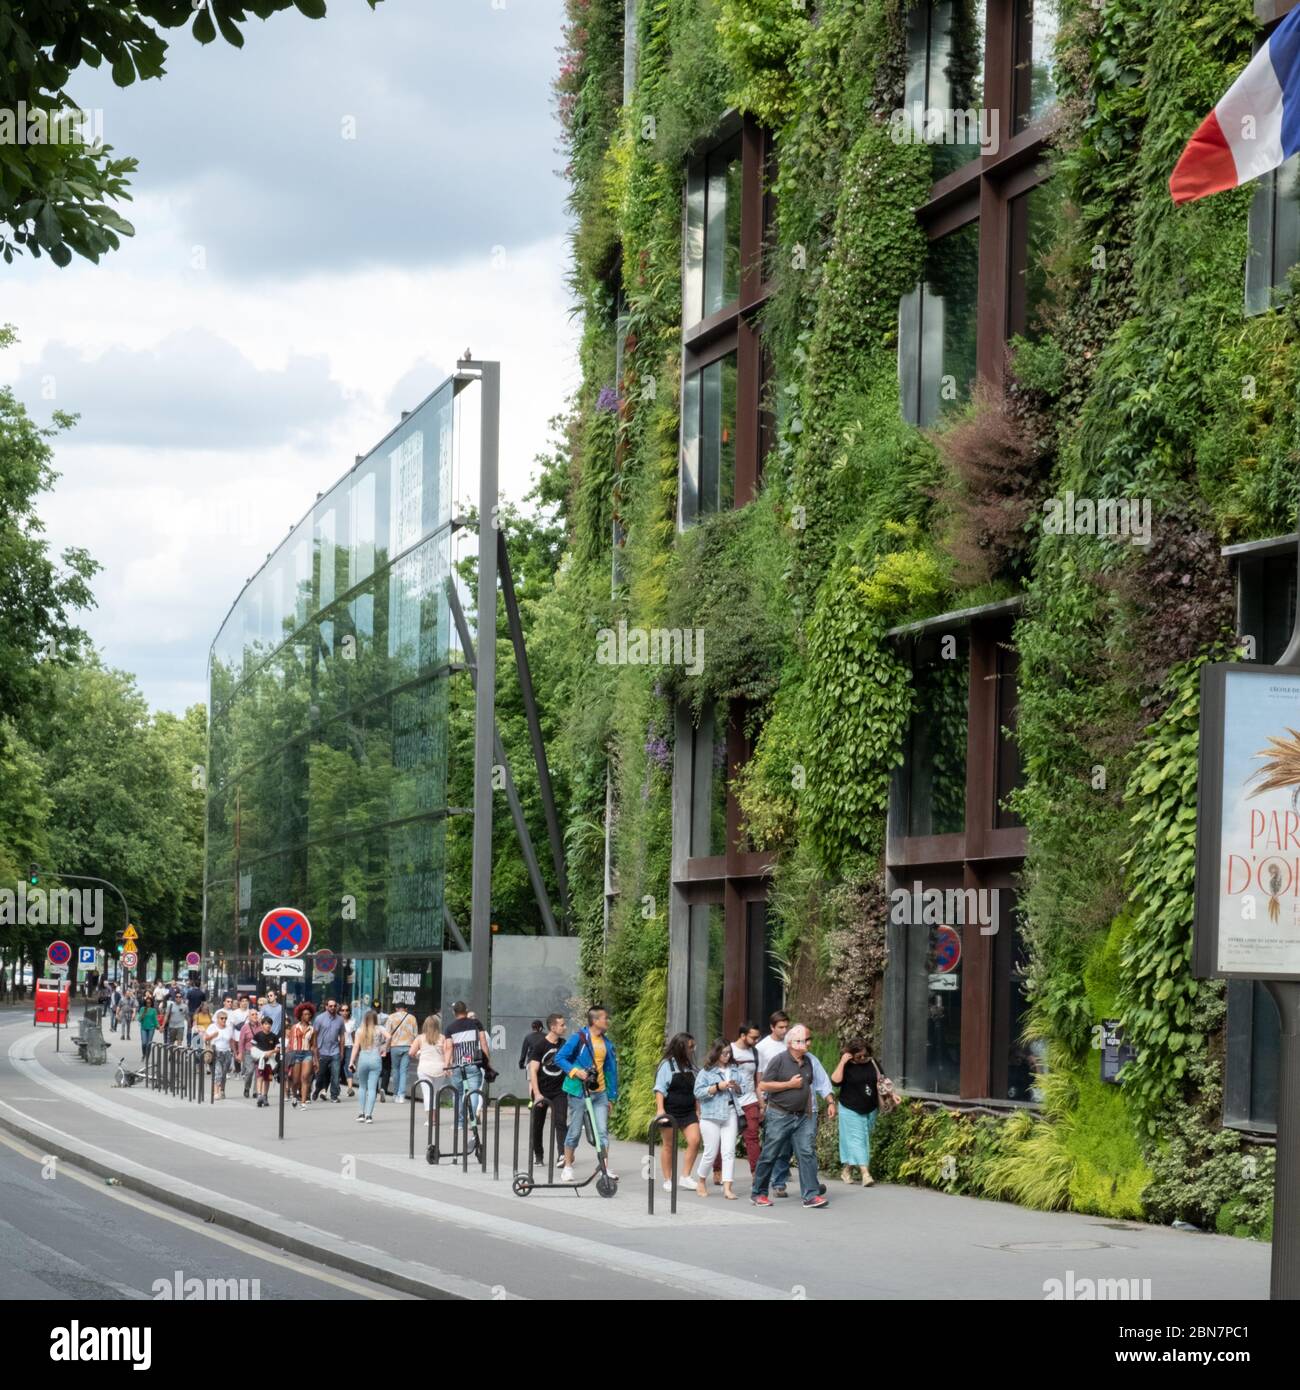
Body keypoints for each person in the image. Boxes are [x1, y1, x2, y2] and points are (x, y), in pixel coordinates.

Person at [751, 1023, 830, 1209]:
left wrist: (830, 1101)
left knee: (807, 1152)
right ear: (793, 1043)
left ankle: (811, 1195)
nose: (809, 1043)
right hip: (780, 1114)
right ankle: (759, 1193)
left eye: (808, 1040)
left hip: (803, 1116)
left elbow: (817, 1084)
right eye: (805, 1040)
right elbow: (763, 1086)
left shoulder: (809, 1061)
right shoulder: (779, 1060)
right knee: (770, 1153)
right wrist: (788, 1085)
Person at [556, 1006, 619, 1183]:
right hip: (579, 1092)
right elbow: (560, 1058)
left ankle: (604, 1168)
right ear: (595, 1021)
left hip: (600, 1093)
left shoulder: (607, 1043)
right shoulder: (579, 1038)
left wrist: (611, 1097)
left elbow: (611, 1071)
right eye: (605, 1018)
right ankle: (567, 1167)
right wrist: (576, 1071)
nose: (607, 1021)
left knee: (602, 1132)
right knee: (574, 1131)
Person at [694, 1039, 743, 1200]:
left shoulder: (734, 1070)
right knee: (711, 1152)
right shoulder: (706, 1072)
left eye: (729, 1052)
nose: (727, 1056)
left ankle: (727, 1187)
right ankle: (701, 1180)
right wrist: (717, 1087)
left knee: (729, 1151)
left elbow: (742, 1090)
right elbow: (698, 1092)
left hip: (730, 1111)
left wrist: (736, 1087)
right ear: (716, 1053)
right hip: (710, 1114)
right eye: (723, 1053)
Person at [713, 1021, 762, 1183]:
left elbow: (757, 1080)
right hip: (728, 1100)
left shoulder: (755, 1053)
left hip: (749, 1099)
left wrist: (761, 1102)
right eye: (753, 1037)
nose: (756, 1040)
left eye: (758, 1037)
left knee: (752, 1136)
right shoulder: (729, 1050)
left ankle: (757, 1173)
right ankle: (718, 1169)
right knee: (724, 1137)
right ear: (742, 1035)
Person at [653, 1032, 701, 1192]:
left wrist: (698, 1109)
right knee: (669, 1145)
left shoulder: (691, 1066)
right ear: (682, 1048)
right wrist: (660, 1110)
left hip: (688, 1111)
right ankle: (668, 1179)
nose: (693, 1049)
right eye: (690, 1047)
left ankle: (685, 1177)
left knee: (694, 1140)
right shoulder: (667, 1065)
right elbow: (660, 1089)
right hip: (670, 1111)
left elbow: (696, 1091)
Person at [832, 1037, 881, 1187]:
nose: (862, 1058)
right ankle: (865, 1174)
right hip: (850, 1108)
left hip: (870, 1108)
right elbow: (835, 1081)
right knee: (858, 1139)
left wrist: (892, 1095)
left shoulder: (872, 1062)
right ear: (851, 1054)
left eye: (864, 1054)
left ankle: (846, 1170)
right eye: (858, 1056)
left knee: (861, 1139)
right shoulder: (846, 1065)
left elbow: (882, 1080)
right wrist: (842, 1062)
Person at [525, 1013, 568, 1165]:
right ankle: (538, 1155)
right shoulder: (540, 1046)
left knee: (561, 1121)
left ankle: (562, 1155)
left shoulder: (564, 1044)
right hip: (541, 1091)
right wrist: (537, 1094)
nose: (565, 1027)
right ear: (553, 1027)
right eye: (562, 1025)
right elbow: (533, 1071)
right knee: (538, 1124)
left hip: (559, 1091)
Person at [444, 1001, 491, 1135]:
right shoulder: (476, 1024)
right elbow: (483, 1043)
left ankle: (459, 1122)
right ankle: (472, 1121)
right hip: (474, 1063)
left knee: (457, 1094)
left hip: (458, 1065)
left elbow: (448, 1048)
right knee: (473, 1092)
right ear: (466, 1010)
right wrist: (488, 1062)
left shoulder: (450, 1028)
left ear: (454, 1012)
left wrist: (446, 1065)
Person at [350, 1009, 389, 1123]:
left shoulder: (359, 1031)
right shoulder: (380, 1028)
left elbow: (356, 1047)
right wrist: (384, 1047)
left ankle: (361, 1113)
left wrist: (351, 1062)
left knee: (362, 1087)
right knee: (372, 1088)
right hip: (376, 1058)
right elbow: (389, 1036)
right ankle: (369, 1116)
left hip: (363, 1058)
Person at [312, 999, 347, 1103]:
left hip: (335, 1051)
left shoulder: (340, 1020)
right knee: (320, 1075)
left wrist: (341, 1051)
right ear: (326, 1007)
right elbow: (315, 1035)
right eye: (330, 1006)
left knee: (335, 1075)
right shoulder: (319, 1018)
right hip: (322, 1051)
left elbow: (342, 1036)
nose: (332, 1008)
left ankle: (334, 1095)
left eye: (334, 1006)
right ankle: (317, 1089)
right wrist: (315, 1049)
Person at [409, 1014, 446, 1113]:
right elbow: (447, 1053)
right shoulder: (442, 1038)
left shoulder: (420, 1038)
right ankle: (435, 1115)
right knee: (434, 1093)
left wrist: (418, 1054)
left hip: (424, 1068)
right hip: (440, 1069)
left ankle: (431, 1118)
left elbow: (411, 1052)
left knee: (427, 1093)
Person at [386, 999, 418, 1103]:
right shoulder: (412, 1018)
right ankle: (401, 1095)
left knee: (395, 1070)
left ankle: (395, 1094)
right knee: (404, 1071)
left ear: (396, 1009)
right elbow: (415, 1034)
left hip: (395, 1046)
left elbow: (387, 1034)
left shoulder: (391, 1017)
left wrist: (386, 1048)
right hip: (408, 1046)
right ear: (406, 1009)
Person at [287, 1003, 317, 1109]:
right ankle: (294, 1095)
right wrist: (287, 1058)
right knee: (295, 1080)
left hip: (307, 1054)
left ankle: (303, 1102)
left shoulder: (313, 1029)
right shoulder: (294, 1027)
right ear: (300, 1015)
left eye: (308, 1014)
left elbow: (314, 1046)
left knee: (305, 1077)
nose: (307, 1016)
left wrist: (316, 1060)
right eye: (304, 1014)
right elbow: (290, 1044)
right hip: (295, 1053)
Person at [249, 1015, 279, 1108]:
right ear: (262, 1025)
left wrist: (271, 1052)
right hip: (260, 1060)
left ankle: (265, 1096)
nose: (268, 1025)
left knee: (267, 1079)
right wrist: (259, 1054)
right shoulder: (258, 1035)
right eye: (266, 1024)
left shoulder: (274, 1036)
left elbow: (278, 1048)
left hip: (270, 1061)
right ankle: (259, 1095)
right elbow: (252, 1047)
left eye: (269, 1024)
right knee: (259, 1077)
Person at [205, 1009, 235, 1099]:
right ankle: (215, 1092)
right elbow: (205, 1038)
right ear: (217, 1019)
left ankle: (222, 1090)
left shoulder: (229, 1028)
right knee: (218, 1073)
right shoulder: (212, 1027)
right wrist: (213, 1035)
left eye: (225, 1018)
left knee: (224, 1074)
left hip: (227, 1053)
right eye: (222, 1018)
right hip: (216, 1052)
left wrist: (235, 1053)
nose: (224, 1020)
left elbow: (231, 1041)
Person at [237, 1008, 260, 1099]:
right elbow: (241, 1041)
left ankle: (256, 1091)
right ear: (249, 1017)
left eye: (256, 1014)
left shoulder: (261, 1026)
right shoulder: (245, 1027)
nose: (255, 1016)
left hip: (259, 1052)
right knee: (250, 1071)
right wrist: (240, 1053)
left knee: (258, 1072)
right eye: (253, 1015)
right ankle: (247, 1088)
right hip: (248, 1052)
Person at [341, 1003, 357, 1097]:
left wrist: (356, 1048)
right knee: (336, 1067)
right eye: (342, 1010)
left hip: (349, 1046)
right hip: (338, 1046)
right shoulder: (337, 1021)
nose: (345, 1012)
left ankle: (350, 1088)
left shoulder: (352, 1022)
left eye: (346, 1010)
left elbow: (354, 1036)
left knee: (349, 1066)